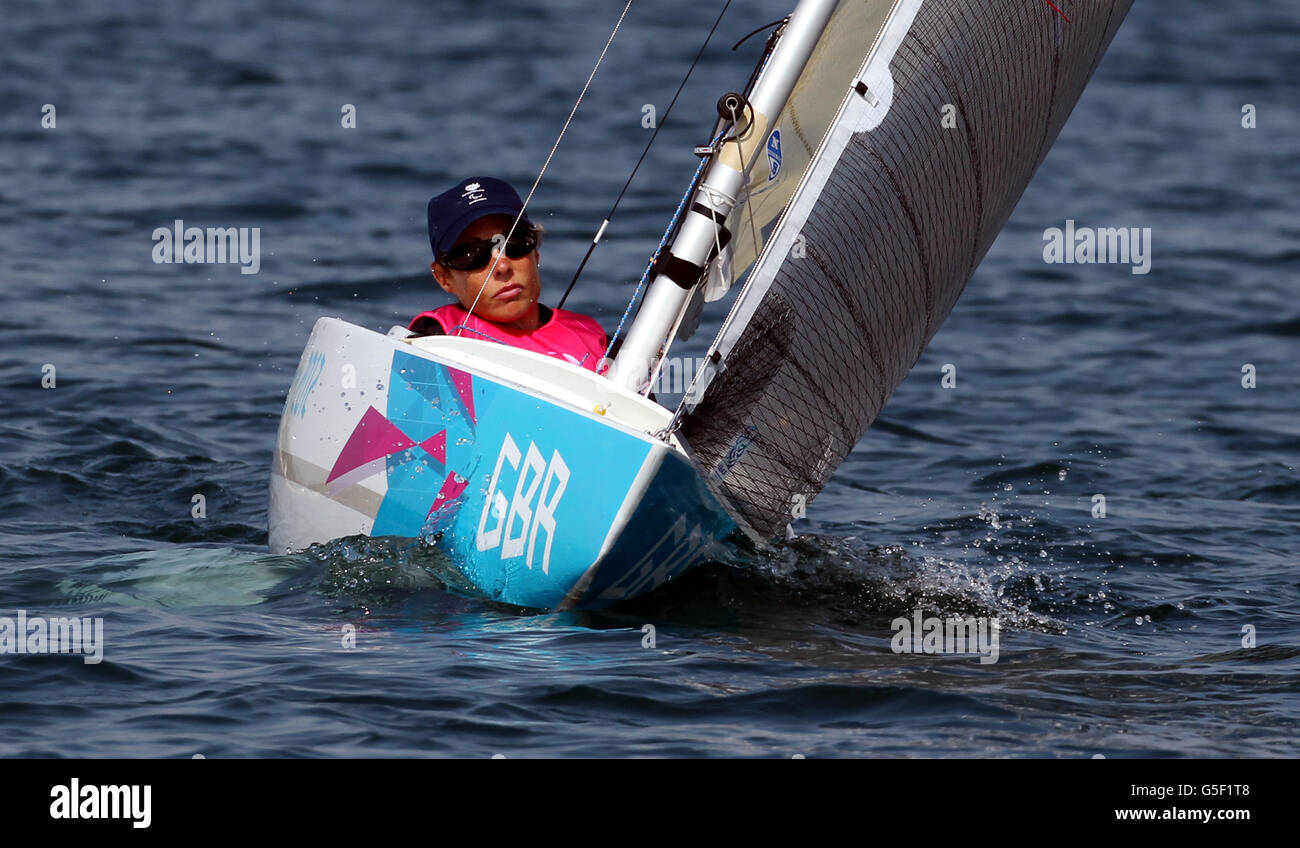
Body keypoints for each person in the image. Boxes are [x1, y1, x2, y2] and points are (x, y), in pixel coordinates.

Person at [408, 176, 611, 373]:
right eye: (472, 254)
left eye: (514, 241)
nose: (502, 265)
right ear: (444, 277)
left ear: (535, 253)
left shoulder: (592, 337)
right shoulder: (437, 339)